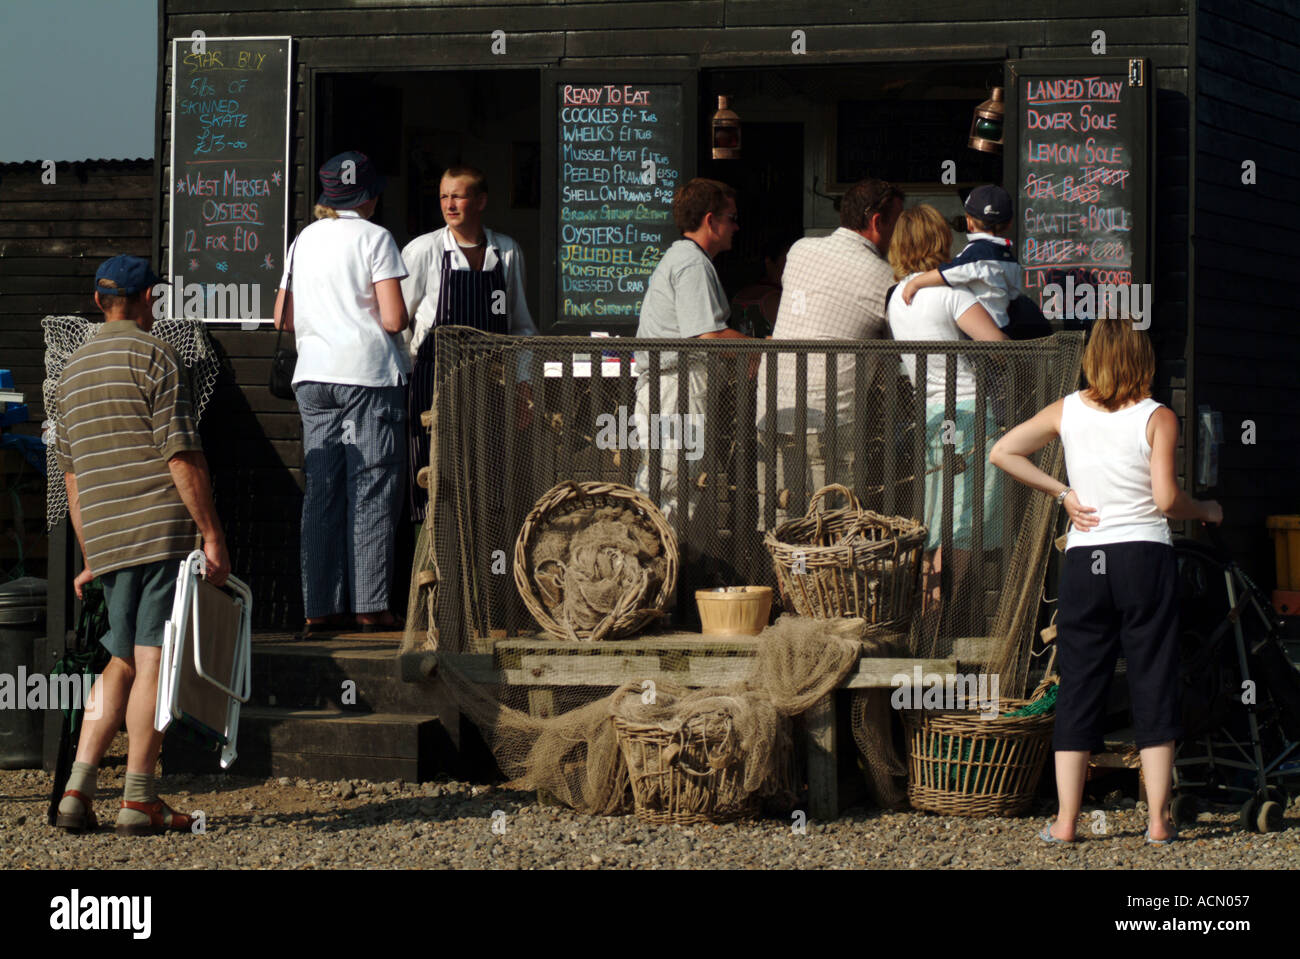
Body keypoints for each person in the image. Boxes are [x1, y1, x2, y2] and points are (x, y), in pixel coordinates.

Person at [990, 313, 1222, 844]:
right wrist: (1205, 510)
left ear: (1093, 357)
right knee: (1153, 678)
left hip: (1087, 560)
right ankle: (1159, 822)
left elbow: (1003, 451)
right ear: (1144, 359)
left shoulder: (1067, 410)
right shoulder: (1158, 416)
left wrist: (1062, 493)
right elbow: (1166, 501)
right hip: (1143, 557)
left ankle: (1067, 822)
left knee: (1080, 683)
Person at [53, 255, 230, 835]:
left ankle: (78, 790)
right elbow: (180, 453)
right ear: (149, 298)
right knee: (155, 658)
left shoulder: (69, 372)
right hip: (158, 528)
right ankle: (138, 798)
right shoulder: (157, 354)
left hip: (105, 535)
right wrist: (211, 534)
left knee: (119, 659)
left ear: (98, 298)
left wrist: (91, 555)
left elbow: (74, 481)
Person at [274, 151, 410, 636]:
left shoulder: (303, 240)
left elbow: (282, 319)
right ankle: (371, 606)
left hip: (313, 378)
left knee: (323, 492)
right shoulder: (377, 238)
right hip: (367, 377)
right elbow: (394, 319)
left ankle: (320, 608)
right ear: (369, 195)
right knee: (371, 487)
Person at [755, 179, 904, 523]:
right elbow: (900, 343)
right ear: (878, 221)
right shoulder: (883, 277)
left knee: (780, 510)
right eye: (896, 223)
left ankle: (782, 577)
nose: (897, 235)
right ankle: (816, 577)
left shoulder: (800, 250)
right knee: (828, 521)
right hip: (827, 411)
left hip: (773, 400)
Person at [886, 204, 1007, 613]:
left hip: (933, 415)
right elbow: (999, 349)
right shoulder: (951, 295)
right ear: (938, 241)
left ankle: (929, 607)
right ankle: (942, 614)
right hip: (971, 414)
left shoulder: (896, 299)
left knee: (939, 516)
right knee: (967, 520)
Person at [400, 165, 537, 523]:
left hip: (492, 387)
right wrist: (404, 384)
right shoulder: (423, 251)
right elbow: (398, 325)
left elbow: (520, 327)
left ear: (481, 201)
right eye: (444, 196)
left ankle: (482, 570)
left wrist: (523, 385)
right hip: (433, 387)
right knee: (431, 484)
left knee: (489, 484)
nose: (450, 204)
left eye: (458, 196)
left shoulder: (506, 252)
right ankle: (432, 570)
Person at [634, 177, 749, 521]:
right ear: (711, 220)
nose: (736, 226)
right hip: (677, 387)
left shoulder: (683, 258)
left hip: (672, 387)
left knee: (670, 482)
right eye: (731, 217)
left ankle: (666, 567)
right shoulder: (692, 263)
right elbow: (708, 338)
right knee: (672, 487)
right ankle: (653, 570)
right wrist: (762, 347)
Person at [899, 184, 1024, 331]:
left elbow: (948, 272)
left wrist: (916, 282)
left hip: (980, 328)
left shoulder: (976, 253)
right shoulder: (1011, 260)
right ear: (1009, 224)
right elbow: (1014, 294)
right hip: (1004, 324)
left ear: (969, 222)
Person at [728, 233, 791, 338]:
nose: (791, 267)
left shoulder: (739, 294)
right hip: (763, 353)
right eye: (787, 261)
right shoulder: (774, 298)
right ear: (769, 262)